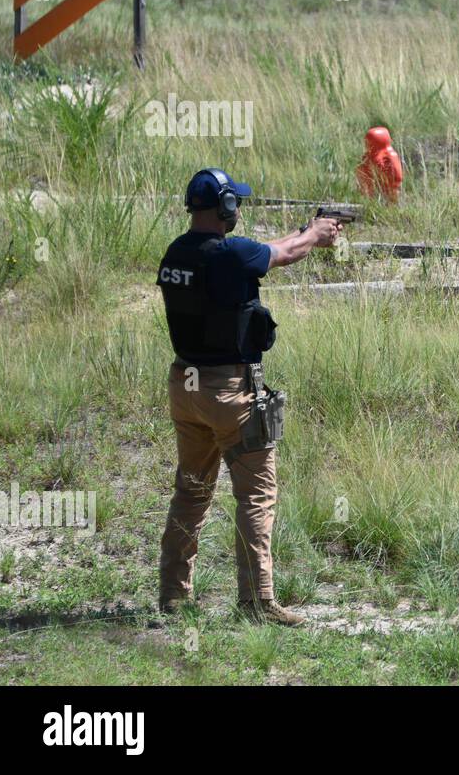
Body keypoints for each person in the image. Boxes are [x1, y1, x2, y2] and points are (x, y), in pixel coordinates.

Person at [156, 168, 341, 626]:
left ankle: (174, 596)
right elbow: (282, 253)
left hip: (187, 384)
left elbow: (266, 250)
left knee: (192, 491)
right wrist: (315, 235)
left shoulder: (177, 253)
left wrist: (305, 231)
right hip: (228, 389)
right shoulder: (230, 253)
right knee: (256, 496)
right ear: (227, 208)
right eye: (235, 203)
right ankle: (257, 601)